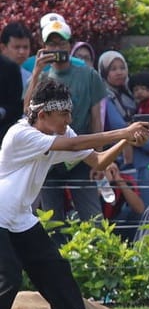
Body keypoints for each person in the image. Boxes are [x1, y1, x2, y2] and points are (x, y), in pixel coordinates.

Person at [0, 79, 149, 309]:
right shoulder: (20, 135)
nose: (70, 120)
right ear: (42, 115)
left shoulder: (61, 130)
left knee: (59, 277)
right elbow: (74, 144)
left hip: (21, 219)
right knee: (8, 278)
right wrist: (123, 130)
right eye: (64, 115)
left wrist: (125, 141)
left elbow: (99, 161)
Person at [23, 15, 107, 231]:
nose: (57, 47)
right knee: (51, 222)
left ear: (70, 45)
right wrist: (36, 73)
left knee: (93, 219)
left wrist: (99, 159)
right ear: (44, 47)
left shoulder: (88, 75)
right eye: (52, 43)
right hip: (48, 158)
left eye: (62, 42)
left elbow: (97, 117)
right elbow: (27, 113)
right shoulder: (40, 77)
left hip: (81, 155)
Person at [98, 51, 149, 207]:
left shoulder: (133, 92)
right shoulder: (104, 97)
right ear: (104, 72)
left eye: (122, 67)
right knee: (141, 207)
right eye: (113, 69)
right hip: (127, 160)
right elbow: (119, 127)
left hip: (145, 158)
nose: (119, 72)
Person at [98, 163, 145, 243]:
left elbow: (140, 209)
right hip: (94, 222)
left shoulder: (124, 178)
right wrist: (104, 182)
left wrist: (119, 181)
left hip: (115, 224)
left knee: (135, 215)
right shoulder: (92, 176)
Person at [1, 21, 32, 89]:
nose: (22, 52)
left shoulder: (30, 79)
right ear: (3, 48)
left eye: (25, 47)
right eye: (16, 47)